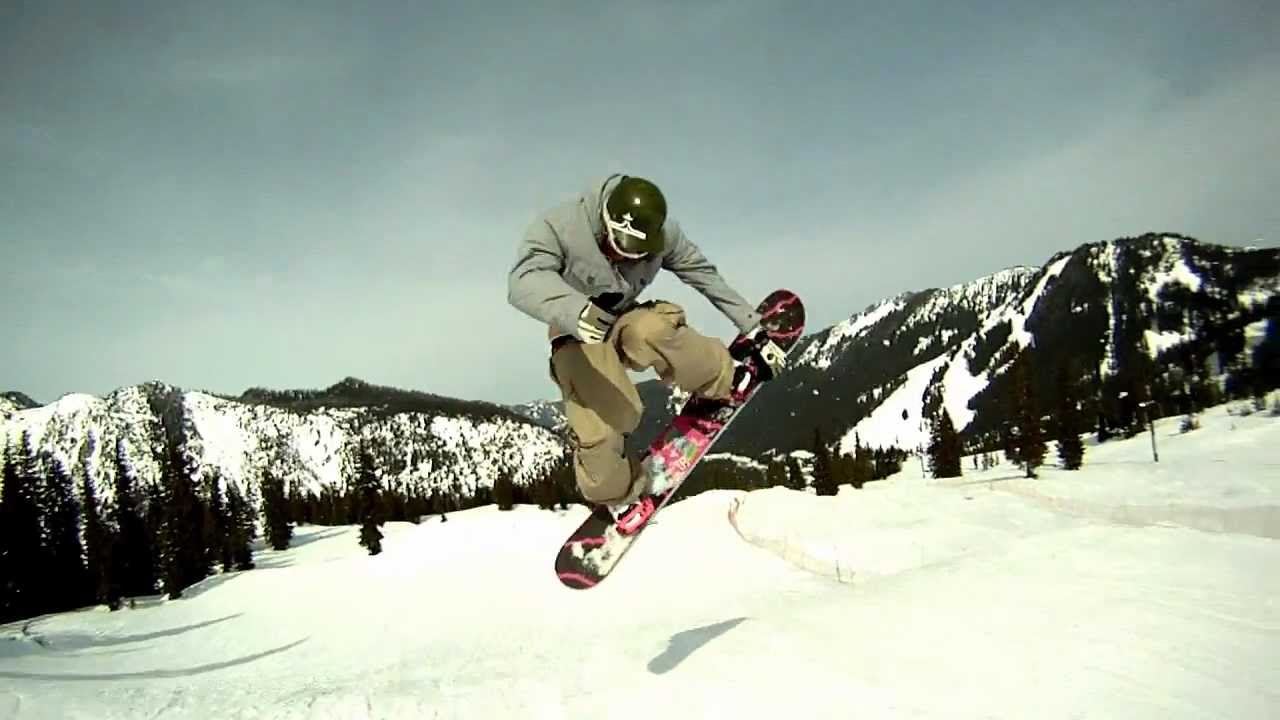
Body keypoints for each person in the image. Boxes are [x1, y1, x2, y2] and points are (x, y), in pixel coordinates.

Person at [507, 174, 785, 523]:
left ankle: (724, 380)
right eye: (618, 242)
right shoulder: (558, 226)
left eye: (635, 250)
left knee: (651, 330)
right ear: (606, 220)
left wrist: (753, 327)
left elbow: (702, 274)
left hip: (624, 319)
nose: (623, 254)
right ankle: (618, 493)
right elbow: (522, 281)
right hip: (575, 332)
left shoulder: (665, 235)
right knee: (611, 417)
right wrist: (577, 312)